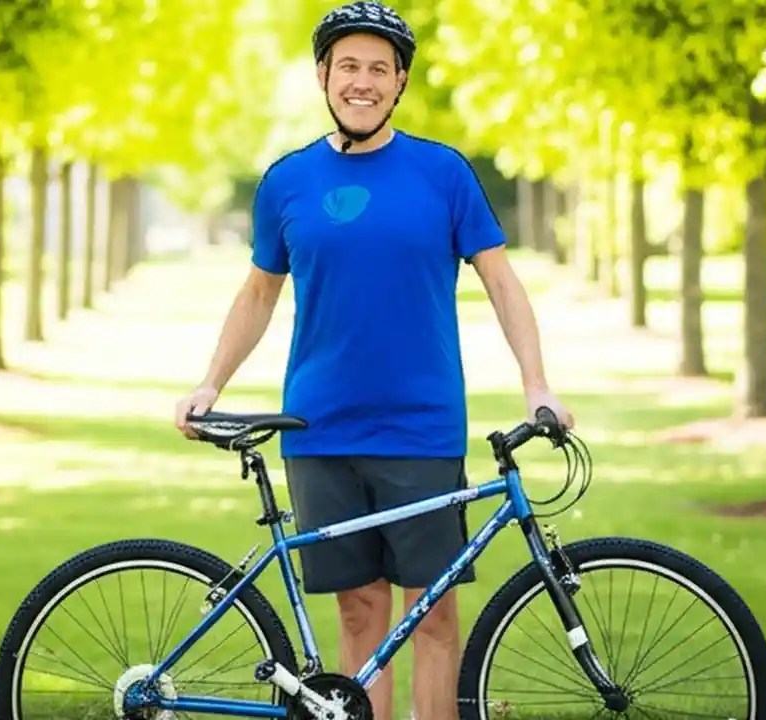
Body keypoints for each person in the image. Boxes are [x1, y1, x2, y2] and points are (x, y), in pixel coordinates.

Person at [174, 2, 574, 718]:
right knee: (360, 616)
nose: (363, 82)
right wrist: (210, 381)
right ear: (324, 76)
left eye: (379, 69)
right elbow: (259, 294)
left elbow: (504, 285)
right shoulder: (287, 182)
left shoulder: (444, 173)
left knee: (434, 616)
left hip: (421, 430)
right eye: (349, 66)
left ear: (400, 83)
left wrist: (536, 383)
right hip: (319, 431)